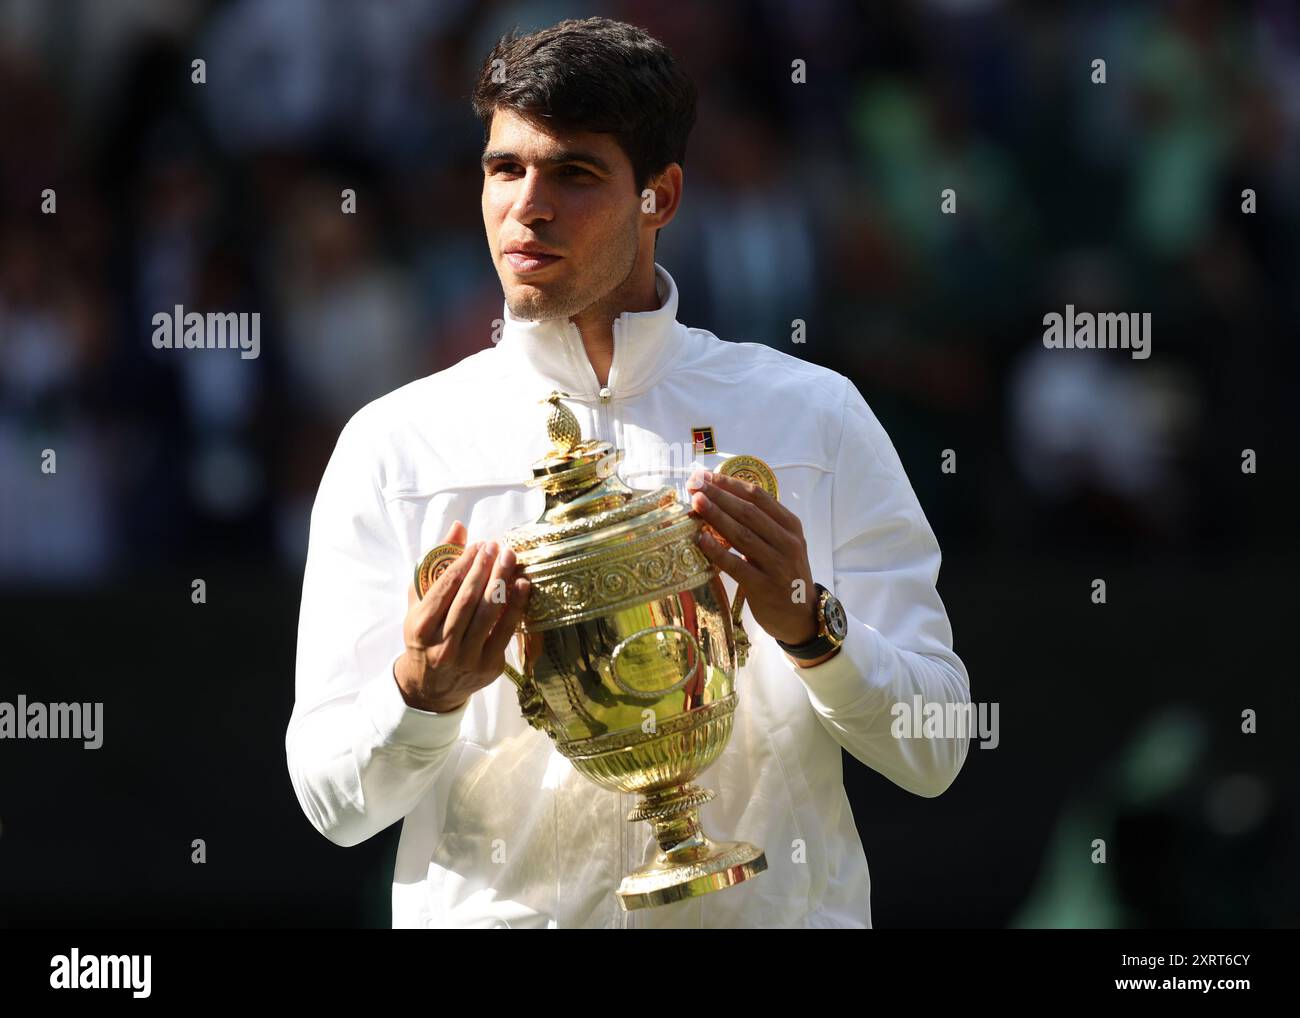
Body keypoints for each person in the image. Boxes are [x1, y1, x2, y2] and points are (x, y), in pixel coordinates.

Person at [286, 16, 971, 929]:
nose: (528, 207)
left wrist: (813, 628)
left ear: (662, 196)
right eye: (504, 169)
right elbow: (332, 804)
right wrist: (421, 694)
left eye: (573, 173)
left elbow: (937, 750)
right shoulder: (396, 445)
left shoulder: (815, 416)